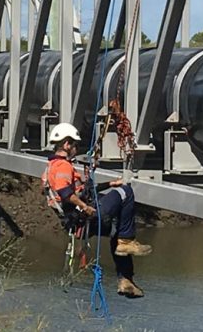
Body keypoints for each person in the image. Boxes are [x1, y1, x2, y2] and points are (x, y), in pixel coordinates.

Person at [41, 123, 153, 298]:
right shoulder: (63, 166)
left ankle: (126, 280)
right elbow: (65, 193)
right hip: (86, 216)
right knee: (126, 192)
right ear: (67, 144)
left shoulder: (52, 166)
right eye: (75, 145)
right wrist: (85, 207)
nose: (77, 149)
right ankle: (127, 241)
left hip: (80, 222)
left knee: (117, 228)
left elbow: (82, 191)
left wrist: (110, 184)